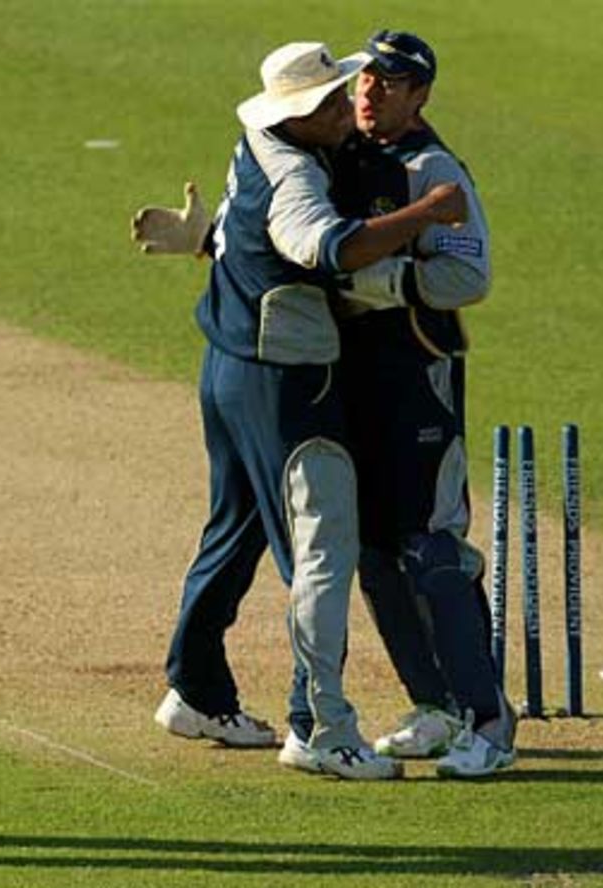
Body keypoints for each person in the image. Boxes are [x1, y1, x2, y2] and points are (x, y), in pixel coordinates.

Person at [133, 41, 467, 779]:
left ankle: (195, 689)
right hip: (285, 380)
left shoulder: (259, 141)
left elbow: (239, 229)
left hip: (226, 368)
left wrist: (205, 238)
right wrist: (426, 214)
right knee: (324, 553)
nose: (352, 105)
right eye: (336, 100)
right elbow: (324, 246)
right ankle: (319, 726)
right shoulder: (297, 177)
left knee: (235, 529)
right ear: (304, 113)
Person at [282, 30, 516, 779]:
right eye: (367, 79)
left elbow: (466, 281)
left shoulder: (432, 167)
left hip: (419, 377)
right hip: (353, 381)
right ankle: (434, 706)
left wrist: (374, 285)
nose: (370, 92)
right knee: (377, 554)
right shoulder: (341, 150)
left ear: (420, 96)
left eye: (391, 83)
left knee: (433, 549)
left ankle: (488, 720)